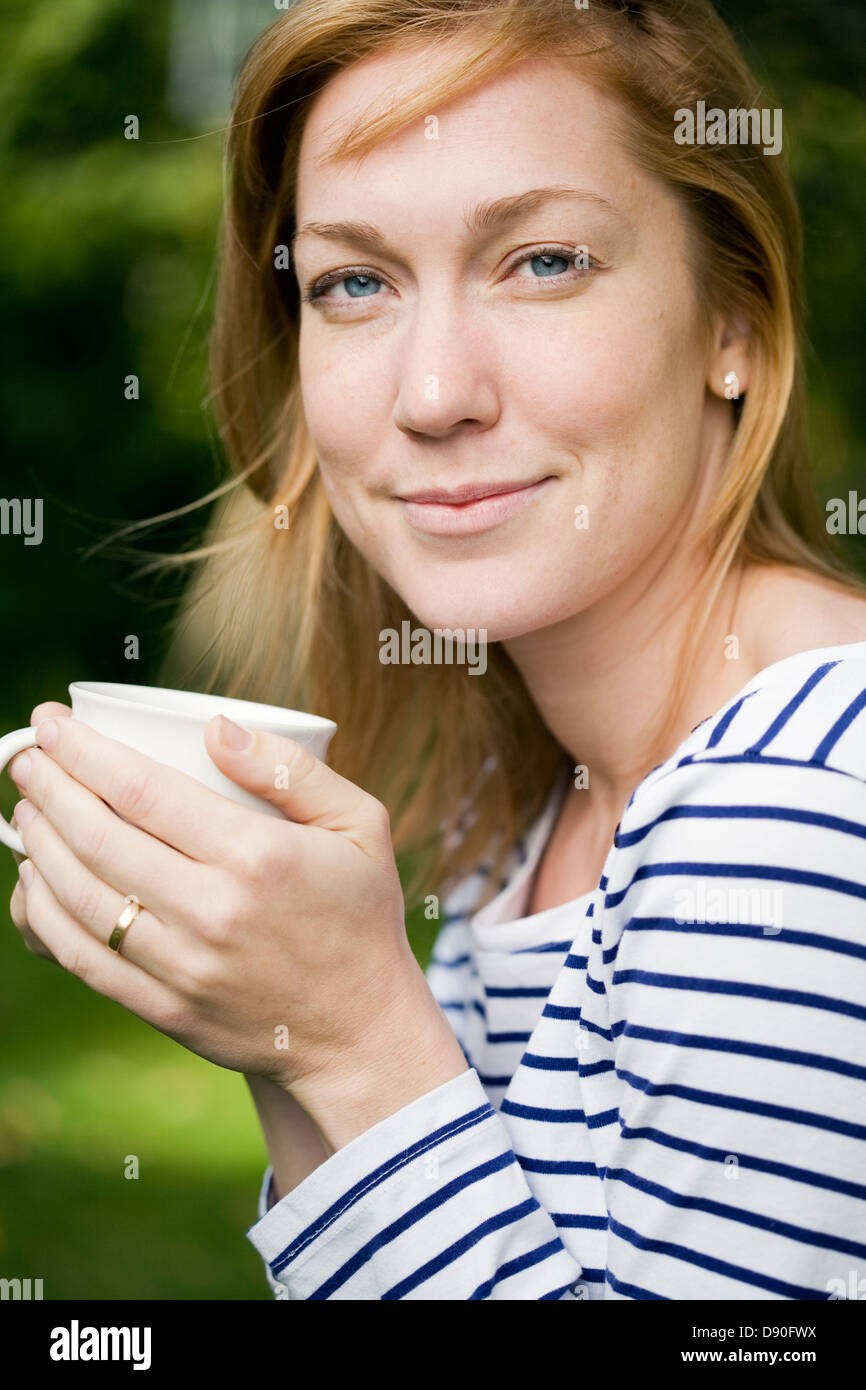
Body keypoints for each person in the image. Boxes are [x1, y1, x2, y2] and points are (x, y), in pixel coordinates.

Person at [9, 0, 866, 1299]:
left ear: (731, 324)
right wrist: (281, 1024)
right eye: (354, 283)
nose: (431, 393)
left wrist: (358, 1033)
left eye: (541, 262)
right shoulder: (524, 814)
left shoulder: (787, 810)